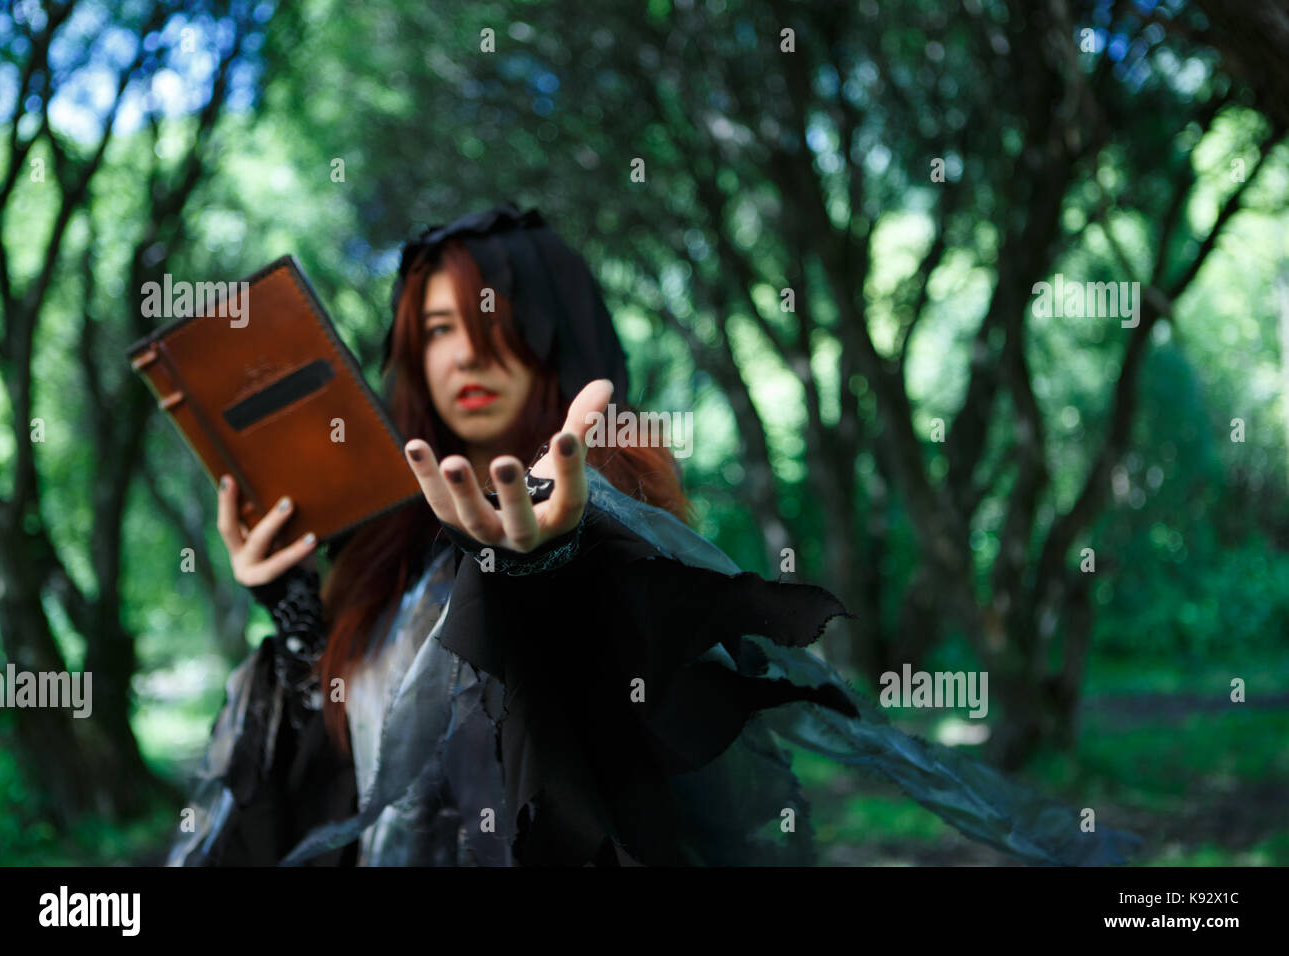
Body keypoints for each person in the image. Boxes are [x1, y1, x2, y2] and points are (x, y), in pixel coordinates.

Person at [168, 202, 1140, 867]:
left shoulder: (613, 488)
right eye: (433, 327)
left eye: (489, 315)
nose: (464, 350)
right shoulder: (382, 542)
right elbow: (366, 767)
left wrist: (539, 566)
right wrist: (299, 607)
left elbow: (620, 709)